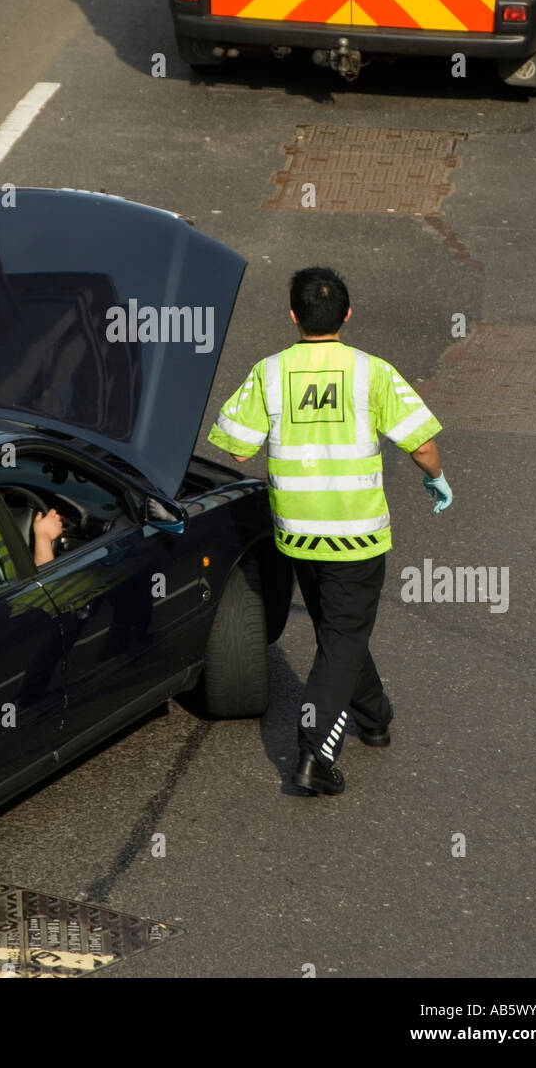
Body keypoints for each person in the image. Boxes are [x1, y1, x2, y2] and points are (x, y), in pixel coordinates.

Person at [207, 267, 452, 796]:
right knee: (342, 633)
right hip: (357, 534)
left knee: (340, 630)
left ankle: (376, 716)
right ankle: (315, 750)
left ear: (294, 316)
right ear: (347, 314)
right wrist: (436, 479)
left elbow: (238, 447)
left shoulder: (269, 372)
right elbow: (422, 444)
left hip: (296, 533)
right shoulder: (372, 372)